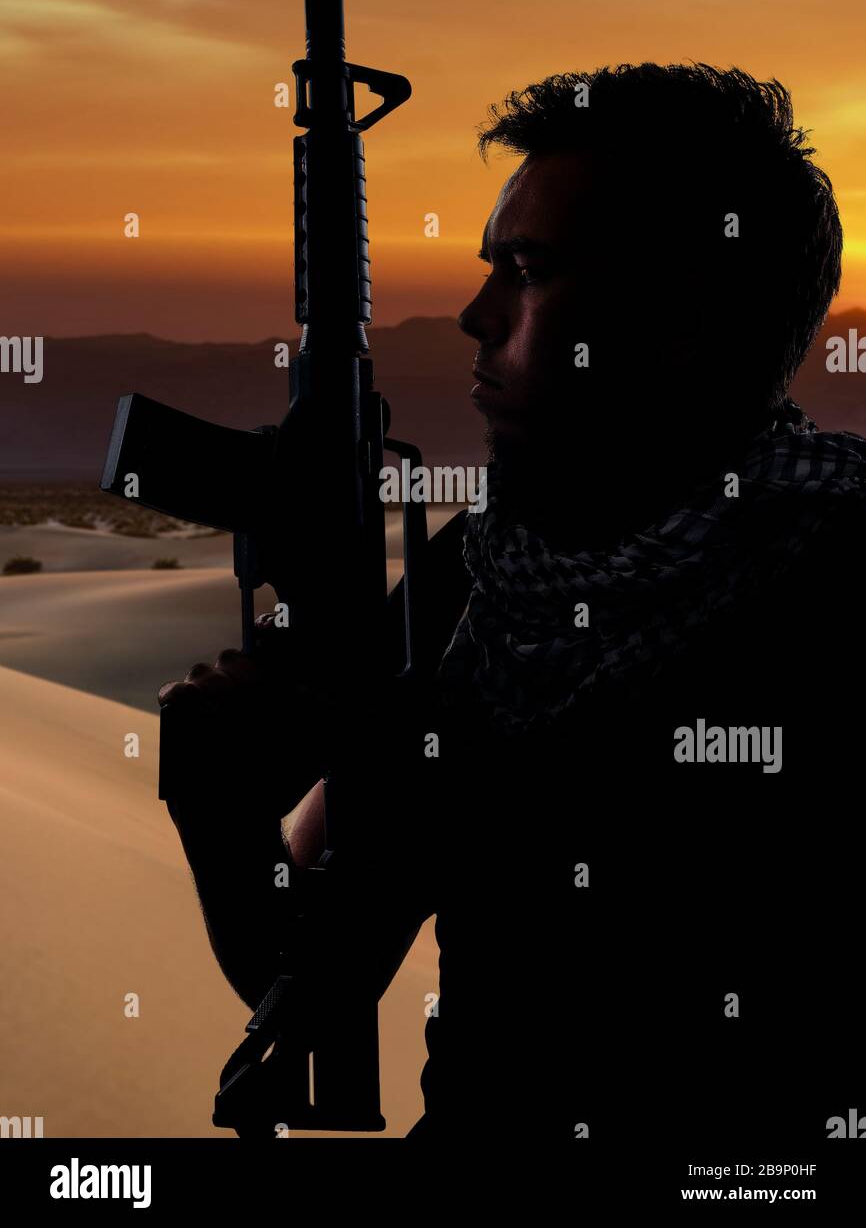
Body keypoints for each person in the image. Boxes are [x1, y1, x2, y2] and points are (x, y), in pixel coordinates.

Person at [161, 64, 866, 1149]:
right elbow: (310, 963)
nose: (473, 313)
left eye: (528, 271)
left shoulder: (833, 572)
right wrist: (217, 803)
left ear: (682, 319)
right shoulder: (480, 575)